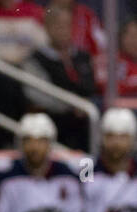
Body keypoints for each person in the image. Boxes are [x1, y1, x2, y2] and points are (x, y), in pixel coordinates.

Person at [0, 112, 82, 212]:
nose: (34, 147)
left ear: (50, 143)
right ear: (20, 143)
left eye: (41, 140)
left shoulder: (69, 176)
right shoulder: (2, 177)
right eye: (28, 140)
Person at [23, 3, 95, 153]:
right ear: (47, 28)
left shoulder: (82, 57)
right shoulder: (36, 59)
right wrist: (71, 106)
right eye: (57, 25)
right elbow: (36, 95)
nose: (63, 30)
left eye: (67, 25)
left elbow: (91, 87)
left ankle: (89, 169)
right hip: (56, 121)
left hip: (85, 120)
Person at [82, 108, 137, 212]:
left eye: (123, 136)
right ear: (102, 138)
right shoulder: (87, 170)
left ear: (133, 139)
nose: (116, 143)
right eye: (110, 136)